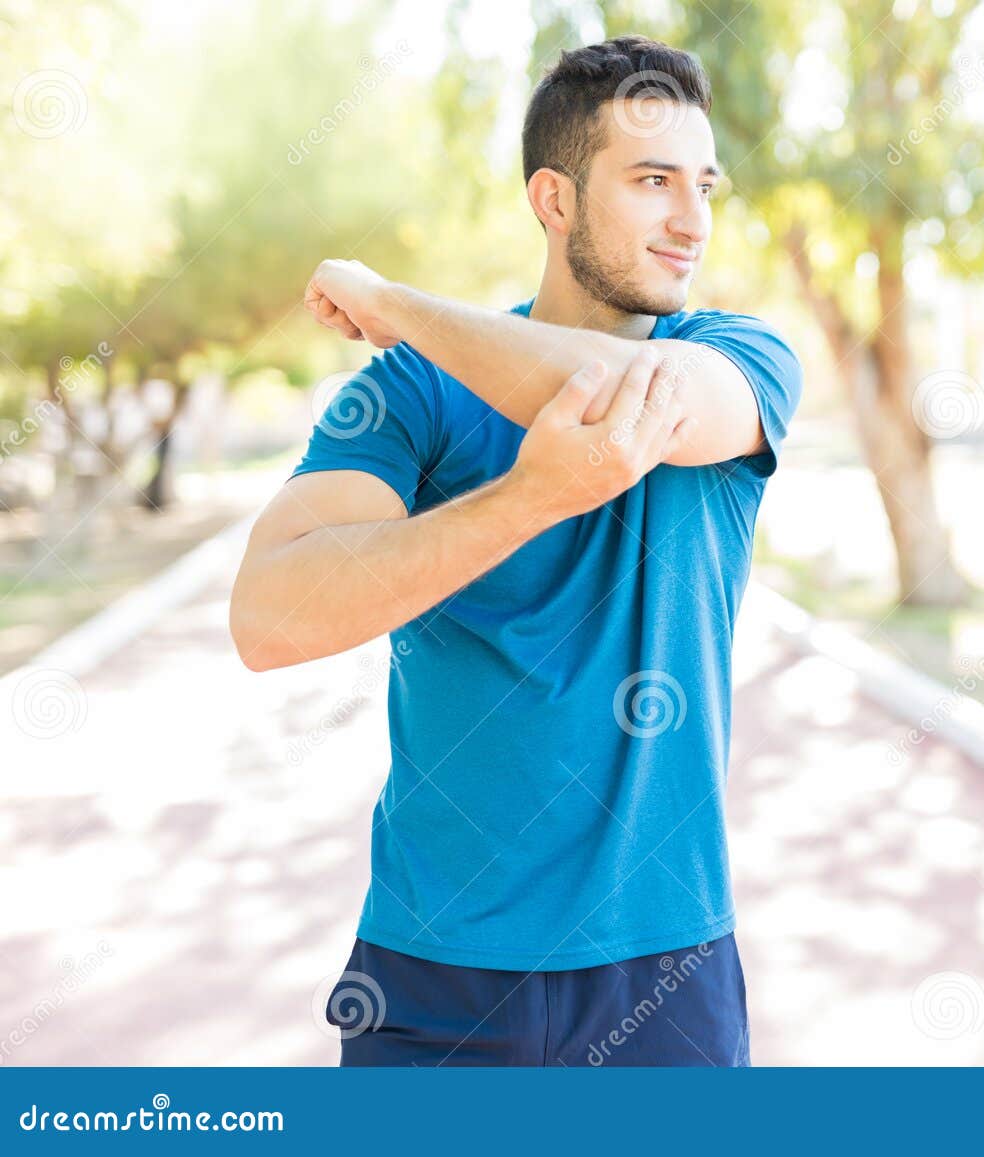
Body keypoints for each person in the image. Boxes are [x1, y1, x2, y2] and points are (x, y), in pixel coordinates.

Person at [228, 34, 803, 1067]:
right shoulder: (410, 391)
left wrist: (392, 304)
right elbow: (268, 617)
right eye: (652, 180)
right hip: (431, 973)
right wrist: (527, 498)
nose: (691, 221)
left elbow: (644, 404)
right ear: (555, 199)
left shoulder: (742, 359)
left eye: (703, 186)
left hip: (663, 970)